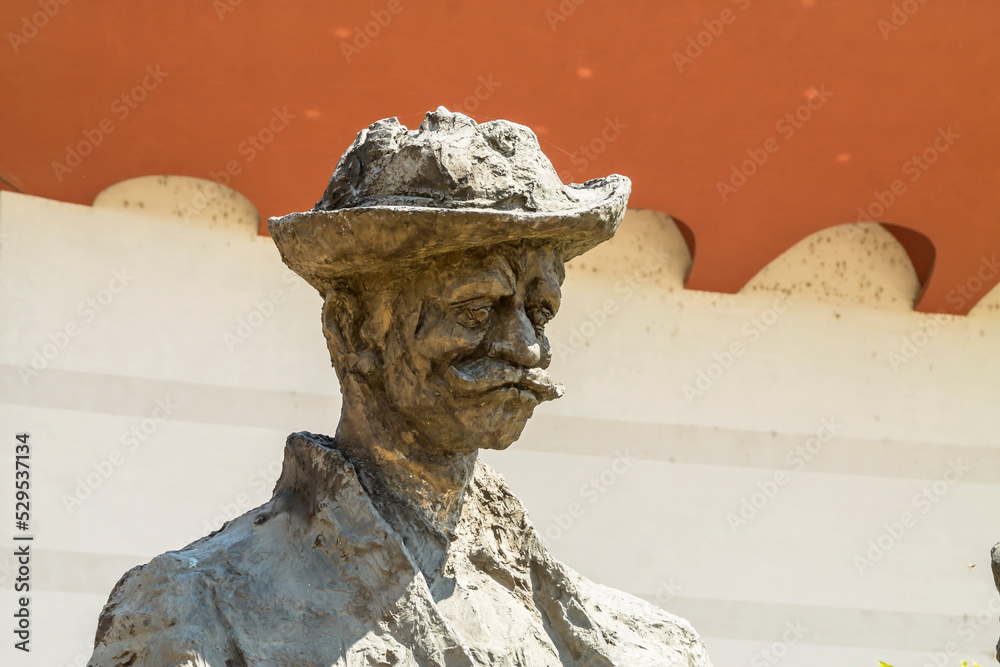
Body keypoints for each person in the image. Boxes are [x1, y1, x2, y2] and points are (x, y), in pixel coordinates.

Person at [88, 108, 711, 667]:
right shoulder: (197, 612)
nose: (527, 348)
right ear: (354, 329)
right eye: (474, 310)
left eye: (539, 311)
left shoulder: (647, 644)